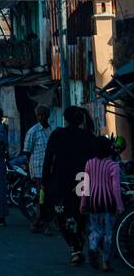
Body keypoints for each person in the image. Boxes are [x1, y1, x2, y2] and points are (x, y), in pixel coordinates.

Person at [42, 106, 103, 266]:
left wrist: (45, 180)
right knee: (80, 215)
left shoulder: (57, 134)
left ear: (66, 119)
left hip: (61, 182)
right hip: (82, 181)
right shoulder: (89, 137)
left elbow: (48, 159)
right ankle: (79, 245)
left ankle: (75, 249)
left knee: (62, 216)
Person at [81, 136, 124, 272]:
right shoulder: (113, 166)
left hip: (93, 202)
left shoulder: (89, 163)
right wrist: (119, 205)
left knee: (95, 229)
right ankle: (106, 262)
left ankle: (93, 248)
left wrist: (83, 203)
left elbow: (85, 185)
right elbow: (116, 188)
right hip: (108, 203)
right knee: (108, 233)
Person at [22, 105, 53, 234]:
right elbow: (27, 152)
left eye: (44, 114)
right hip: (38, 169)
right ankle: (43, 223)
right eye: (39, 115)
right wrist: (30, 170)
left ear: (47, 115)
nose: (42, 117)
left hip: (50, 168)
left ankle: (38, 221)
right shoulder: (32, 131)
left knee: (46, 196)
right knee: (43, 195)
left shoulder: (52, 130)